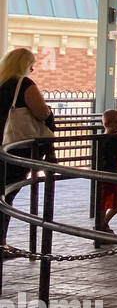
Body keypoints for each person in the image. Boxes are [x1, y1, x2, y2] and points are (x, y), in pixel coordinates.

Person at [0, 48, 54, 257]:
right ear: (24, 64)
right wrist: (49, 112)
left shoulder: (2, 82)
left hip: (2, 145)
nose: (33, 68)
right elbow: (42, 113)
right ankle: (1, 243)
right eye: (32, 63)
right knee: (7, 194)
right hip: (17, 148)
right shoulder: (24, 84)